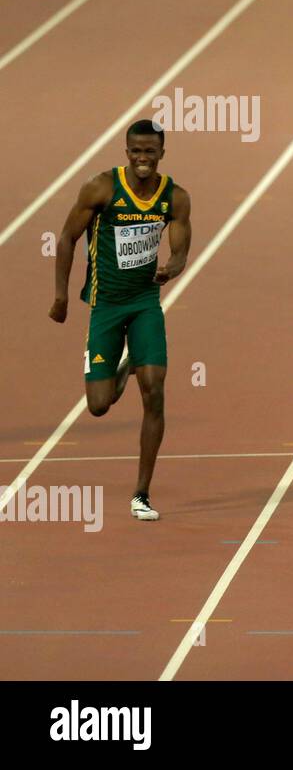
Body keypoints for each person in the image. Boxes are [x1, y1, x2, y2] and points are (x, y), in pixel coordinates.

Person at [49, 119, 192, 521]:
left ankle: (142, 493)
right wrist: (60, 296)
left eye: (150, 151)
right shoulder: (101, 188)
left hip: (145, 302)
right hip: (105, 305)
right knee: (98, 405)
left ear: (162, 153)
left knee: (155, 390)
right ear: (126, 151)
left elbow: (181, 247)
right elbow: (66, 237)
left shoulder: (175, 197)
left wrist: (174, 266)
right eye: (136, 151)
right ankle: (126, 365)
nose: (143, 158)